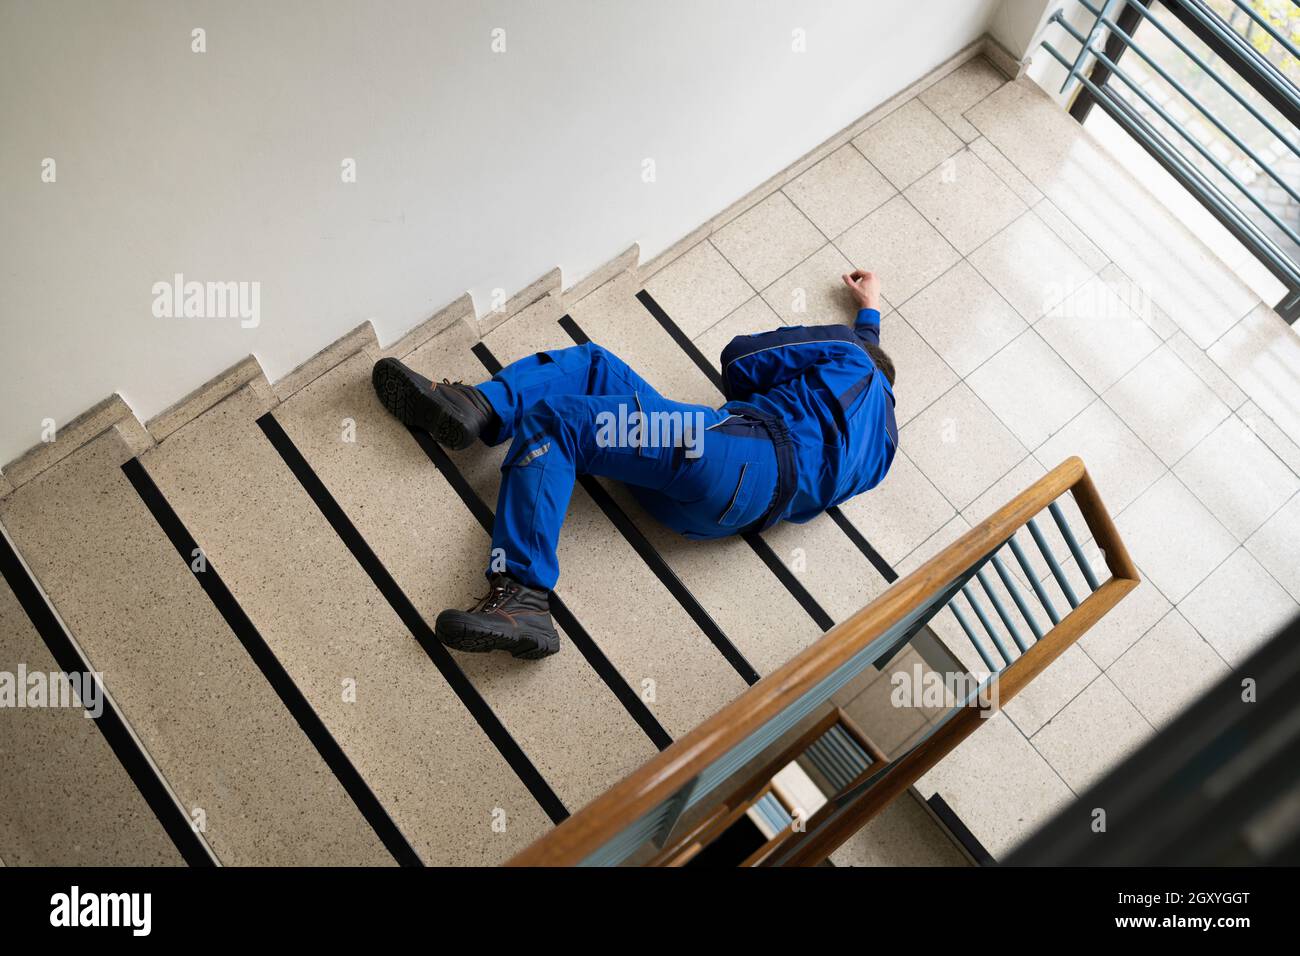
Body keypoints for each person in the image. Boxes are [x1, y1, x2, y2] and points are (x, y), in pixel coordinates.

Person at [371, 269, 897, 660]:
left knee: (560, 423)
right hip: (712, 518)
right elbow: (867, 383)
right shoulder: (885, 453)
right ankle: (479, 407)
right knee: (597, 366)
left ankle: (525, 594)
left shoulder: (849, 354)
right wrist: (869, 313)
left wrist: (852, 336)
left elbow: (739, 360)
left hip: (721, 449)